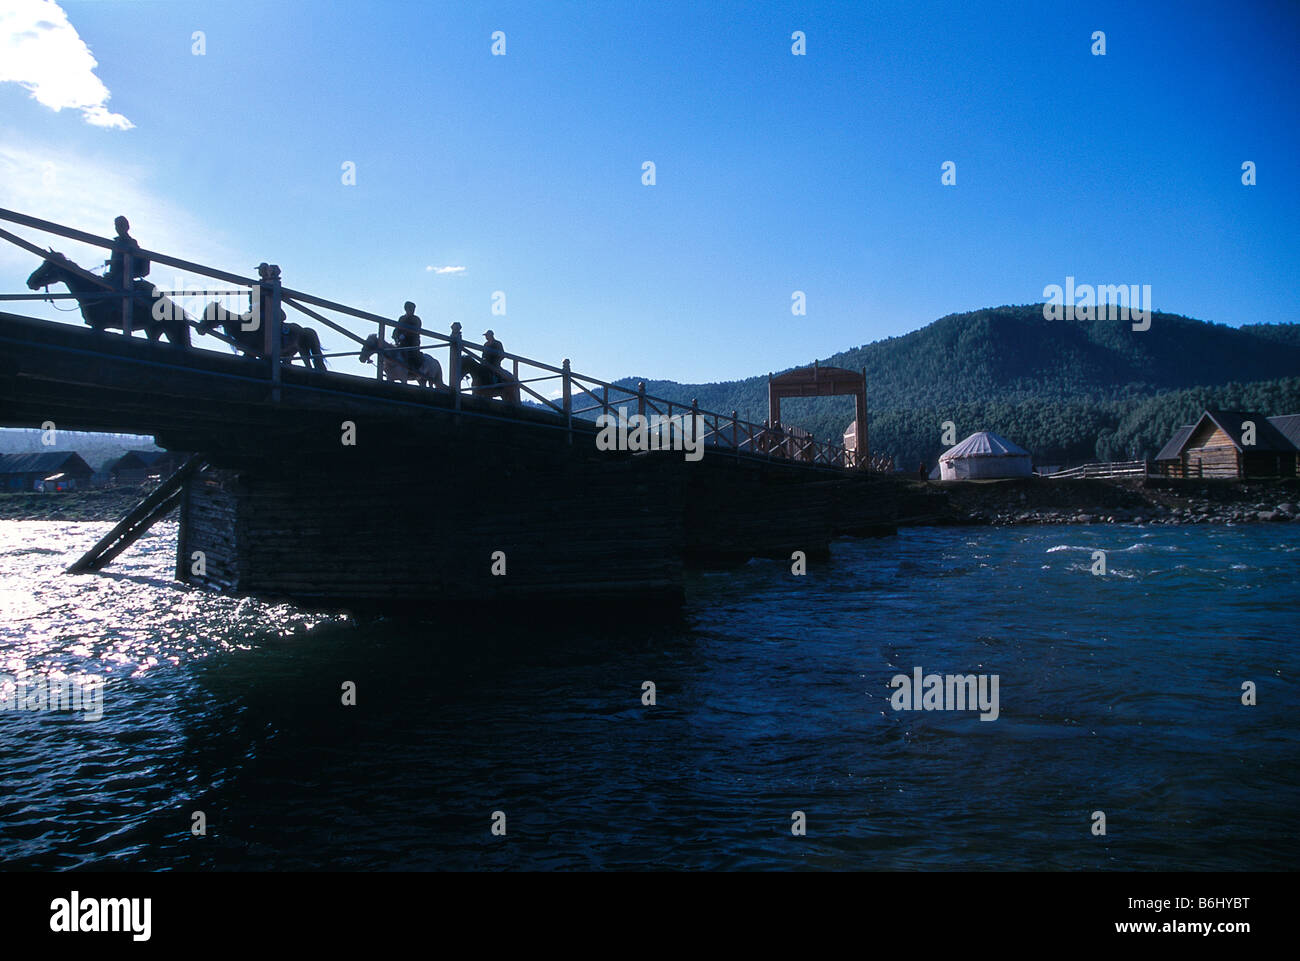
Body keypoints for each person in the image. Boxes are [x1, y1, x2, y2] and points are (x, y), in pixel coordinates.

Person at [105, 215, 149, 290]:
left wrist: (114, 262)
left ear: (127, 227)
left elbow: (134, 261)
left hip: (124, 277)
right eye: (117, 225)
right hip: (115, 275)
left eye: (120, 225)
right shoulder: (116, 241)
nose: (118, 228)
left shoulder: (131, 242)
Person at [393, 302, 424, 373]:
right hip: (401, 342)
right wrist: (396, 337)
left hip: (413, 342)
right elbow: (397, 329)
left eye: (413, 309)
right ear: (406, 309)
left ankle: (413, 370)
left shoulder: (416, 319)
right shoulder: (401, 318)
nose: (412, 311)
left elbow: (415, 330)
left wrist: (404, 335)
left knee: (412, 354)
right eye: (410, 309)